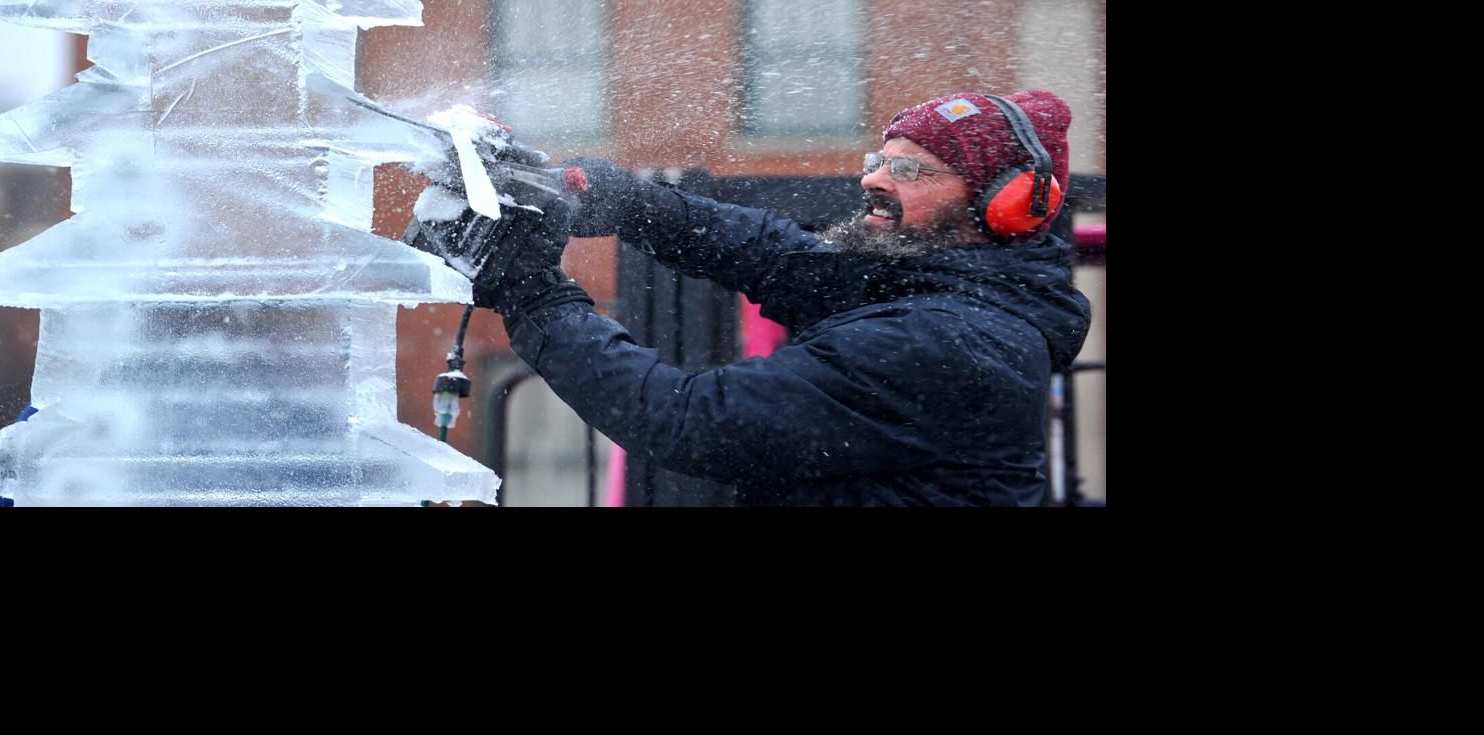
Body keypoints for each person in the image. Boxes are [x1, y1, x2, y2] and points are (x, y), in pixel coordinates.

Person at [434, 89, 1090, 506]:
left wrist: (534, 297)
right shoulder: (933, 284)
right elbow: (773, 252)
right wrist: (609, 196)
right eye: (879, 157)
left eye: (910, 169)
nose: (872, 178)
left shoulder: (949, 344)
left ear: (1001, 206)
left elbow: (686, 420)